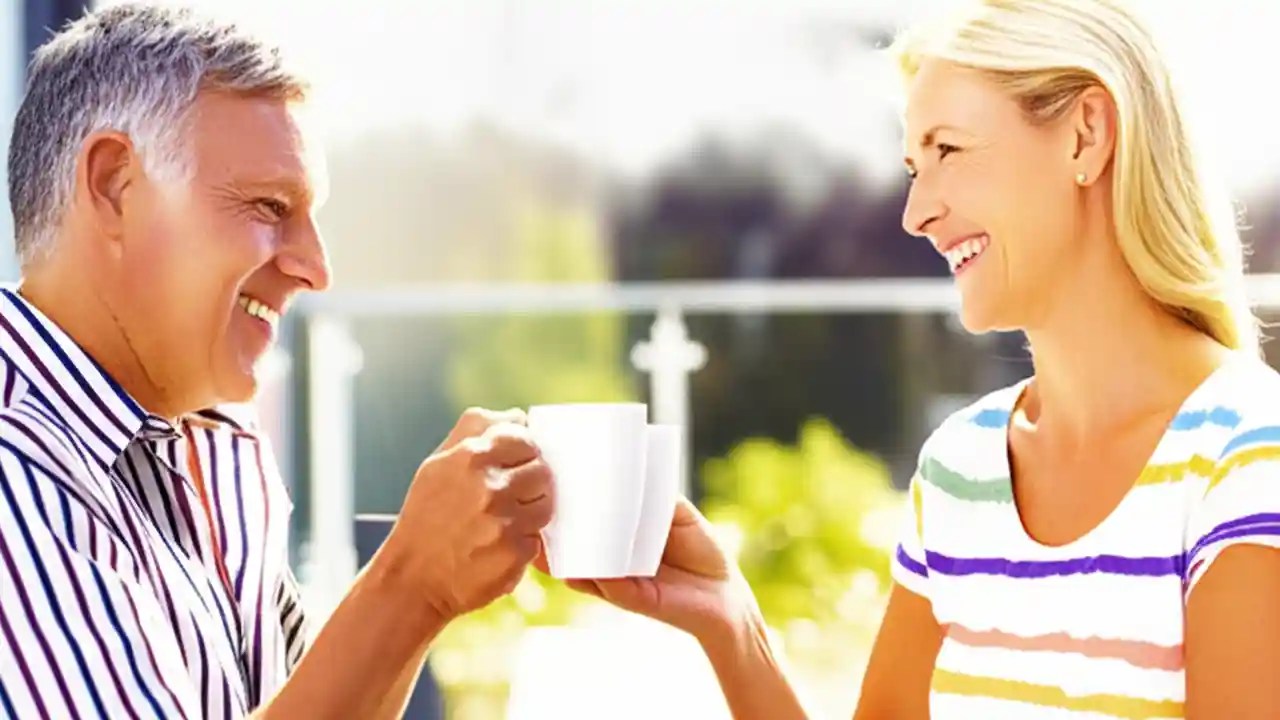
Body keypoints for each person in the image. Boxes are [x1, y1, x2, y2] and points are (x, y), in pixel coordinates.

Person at [555, 1, 1280, 718]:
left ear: (1086, 135)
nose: (917, 211)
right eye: (912, 165)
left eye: (948, 150)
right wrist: (728, 620)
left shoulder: (1248, 457)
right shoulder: (962, 468)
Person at [0, 4, 554, 718]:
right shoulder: (18, 473)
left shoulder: (217, 450)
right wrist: (413, 584)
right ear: (114, 186)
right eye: (268, 207)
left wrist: (429, 584)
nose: (316, 268)